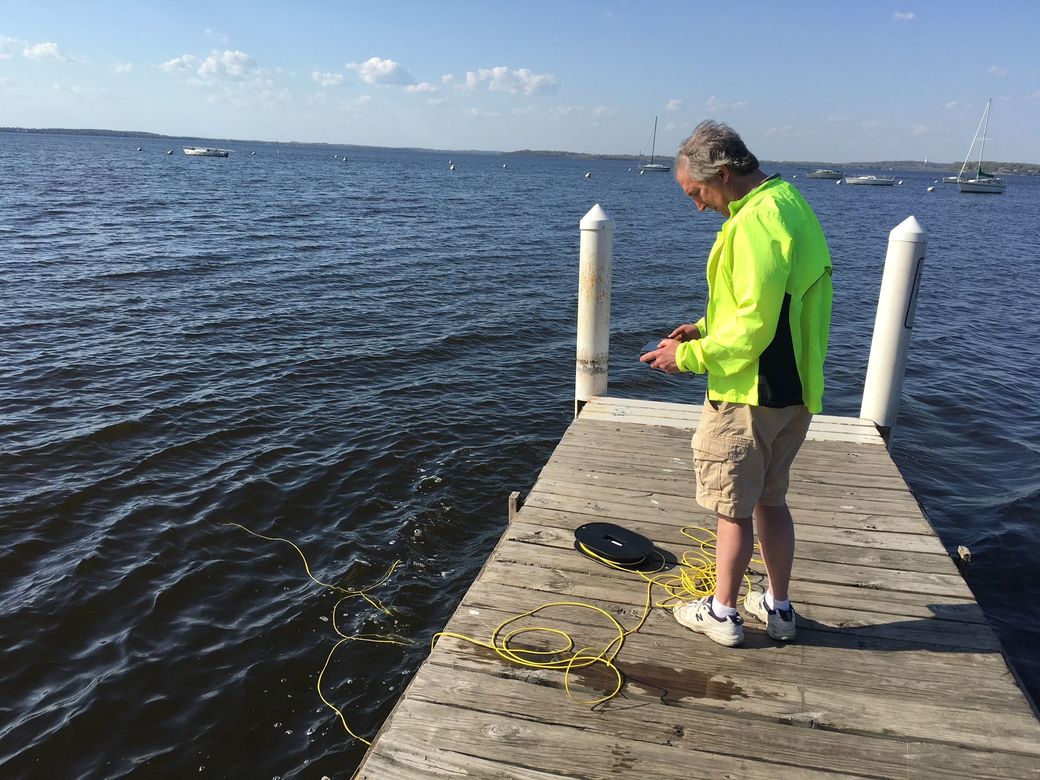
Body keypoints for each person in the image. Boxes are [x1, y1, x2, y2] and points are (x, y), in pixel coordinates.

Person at [640, 120, 833, 647]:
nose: (698, 206)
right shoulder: (789, 203)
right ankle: (779, 606)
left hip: (749, 395)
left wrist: (689, 356)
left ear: (722, 174)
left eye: (697, 193)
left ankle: (723, 614)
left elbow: (751, 328)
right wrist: (703, 326)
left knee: (732, 509)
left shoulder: (753, 224)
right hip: (794, 392)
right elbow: (775, 304)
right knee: (772, 500)